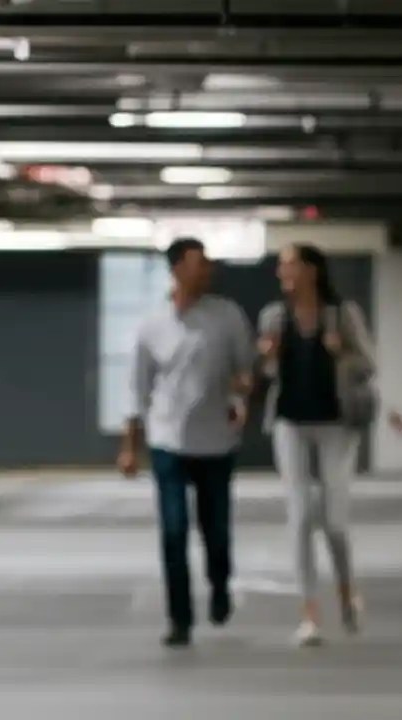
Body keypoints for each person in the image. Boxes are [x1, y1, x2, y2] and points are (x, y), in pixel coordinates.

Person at [257, 243, 402, 647]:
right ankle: (310, 613)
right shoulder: (274, 316)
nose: (282, 272)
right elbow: (269, 371)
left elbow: (369, 363)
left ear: (311, 270)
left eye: (289, 264)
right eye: (281, 266)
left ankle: (346, 591)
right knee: (301, 516)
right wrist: (267, 356)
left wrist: (340, 354)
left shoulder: (344, 314)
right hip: (290, 422)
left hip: (336, 424)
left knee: (335, 521)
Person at [118, 237, 255, 648]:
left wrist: (241, 396)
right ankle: (179, 618)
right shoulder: (152, 324)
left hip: (216, 441)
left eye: (208, 264)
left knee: (215, 530)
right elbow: (137, 391)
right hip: (168, 441)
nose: (206, 271)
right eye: (198, 264)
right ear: (176, 269)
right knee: (174, 531)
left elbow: (244, 370)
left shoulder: (226, 316)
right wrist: (130, 447)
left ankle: (219, 585)